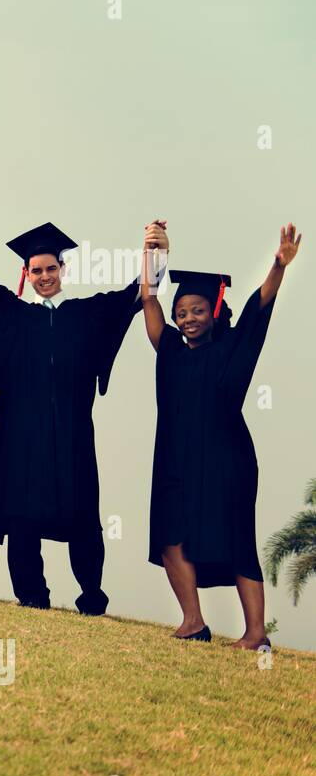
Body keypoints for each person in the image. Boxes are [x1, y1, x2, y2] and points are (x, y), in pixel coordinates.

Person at [0, 217, 169, 614]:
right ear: (26, 273)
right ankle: (31, 595)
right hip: (20, 434)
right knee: (22, 515)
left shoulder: (86, 315)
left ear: (63, 270)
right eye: (36, 270)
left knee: (82, 514)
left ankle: (91, 596)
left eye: (50, 269)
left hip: (72, 432)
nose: (43, 277)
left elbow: (140, 292)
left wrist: (155, 251)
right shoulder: (15, 315)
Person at [141, 225, 301, 649]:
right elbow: (149, 300)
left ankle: (255, 633)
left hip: (226, 460)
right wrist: (154, 255)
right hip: (175, 461)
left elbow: (257, 307)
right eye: (183, 313)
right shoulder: (171, 352)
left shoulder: (232, 347)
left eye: (197, 311)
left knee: (235, 538)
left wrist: (278, 266)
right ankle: (192, 621)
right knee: (169, 536)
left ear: (213, 311)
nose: (188, 319)